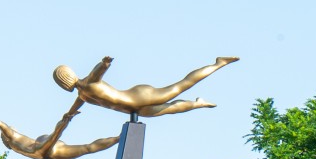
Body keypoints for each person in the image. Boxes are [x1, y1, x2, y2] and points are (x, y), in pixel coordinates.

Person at [53, 55, 237, 117]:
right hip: (134, 110)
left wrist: (105, 63)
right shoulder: (82, 96)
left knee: (181, 86)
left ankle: (218, 63)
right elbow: (73, 109)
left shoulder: (88, 82)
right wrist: (68, 116)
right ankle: (198, 103)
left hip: (139, 97)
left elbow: (97, 72)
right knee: (169, 109)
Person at [0, 120, 118, 159]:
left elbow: (0, 123)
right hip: (46, 148)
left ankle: (118, 138)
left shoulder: (14, 139)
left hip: (42, 149)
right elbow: (0, 123)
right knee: (87, 148)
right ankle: (118, 138)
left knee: (87, 148)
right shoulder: (13, 138)